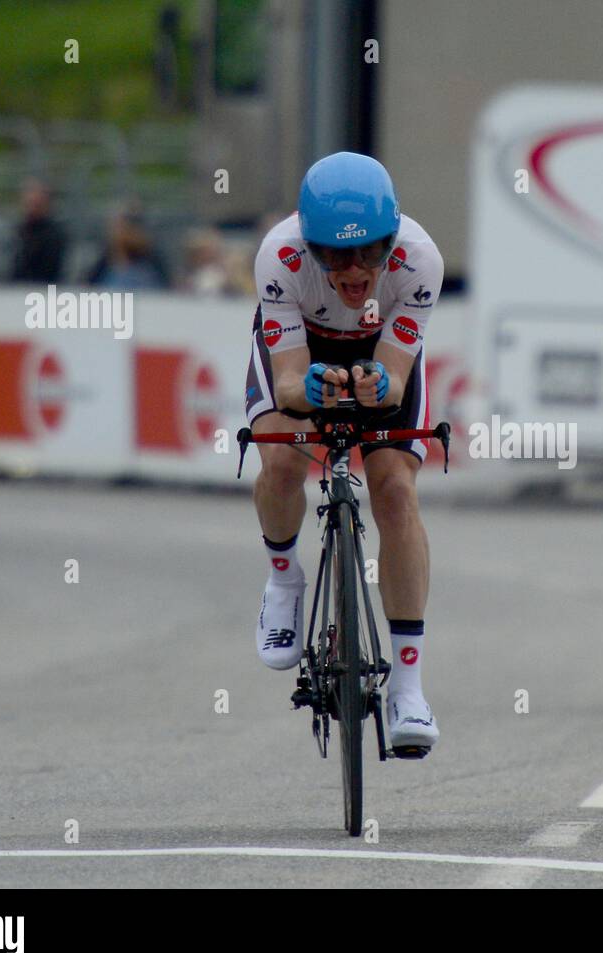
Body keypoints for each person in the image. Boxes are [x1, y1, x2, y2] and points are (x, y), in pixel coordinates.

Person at [244, 151, 443, 754]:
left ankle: (408, 688)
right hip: (302, 352)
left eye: (370, 252)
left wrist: (381, 385)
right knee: (281, 462)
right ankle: (284, 579)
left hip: (379, 350)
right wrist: (305, 391)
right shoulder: (279, 256)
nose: (355, 270)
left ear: (392, 240)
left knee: (395, 489)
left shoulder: (420, 261)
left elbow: (398, 378)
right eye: (333, 253)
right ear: (309, 245)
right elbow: (287, 379)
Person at [12, 179, 66, 283]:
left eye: (37, 204)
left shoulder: (55, 236)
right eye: (30, 203)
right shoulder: (17, 232)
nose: (32, 208)